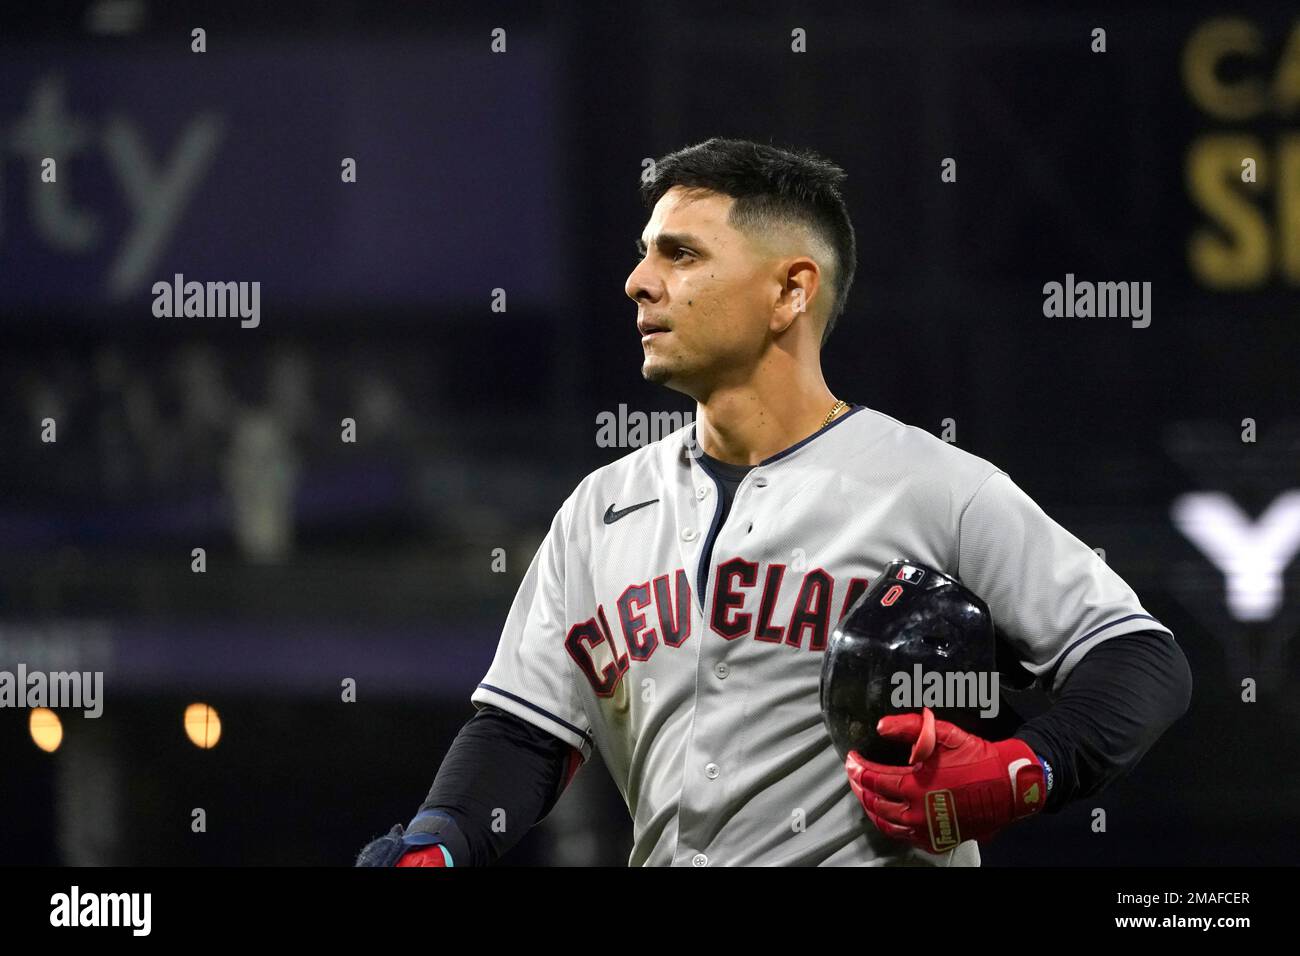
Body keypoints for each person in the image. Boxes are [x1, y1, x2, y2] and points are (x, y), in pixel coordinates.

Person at [357, 137, 1191, 867]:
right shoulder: (600, 507)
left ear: (791, 290)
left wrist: (1026, 768)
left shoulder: (934, 486)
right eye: (647, 253)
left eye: (681, 255)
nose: (638, 282)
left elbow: (1141, 660)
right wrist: (441, 838)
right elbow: (524, 730)